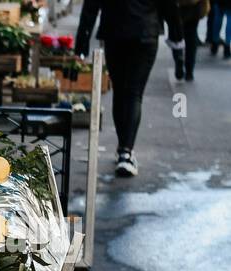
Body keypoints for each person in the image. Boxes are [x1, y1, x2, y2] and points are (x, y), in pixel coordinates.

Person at [77, 0, 184, 177]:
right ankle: (126, 152)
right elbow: (169, 5)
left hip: (114, 31)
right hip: (145, 32)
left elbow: (91, 4)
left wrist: (83, 40)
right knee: (134, 93)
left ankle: (123, 149)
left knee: (119, 91)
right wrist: (177, 36)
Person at [173, 0, 210, 80]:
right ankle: (189, 70)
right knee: (191, 37)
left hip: (177, 6)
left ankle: (178, 57)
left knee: (176, 34)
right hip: (194, 6)